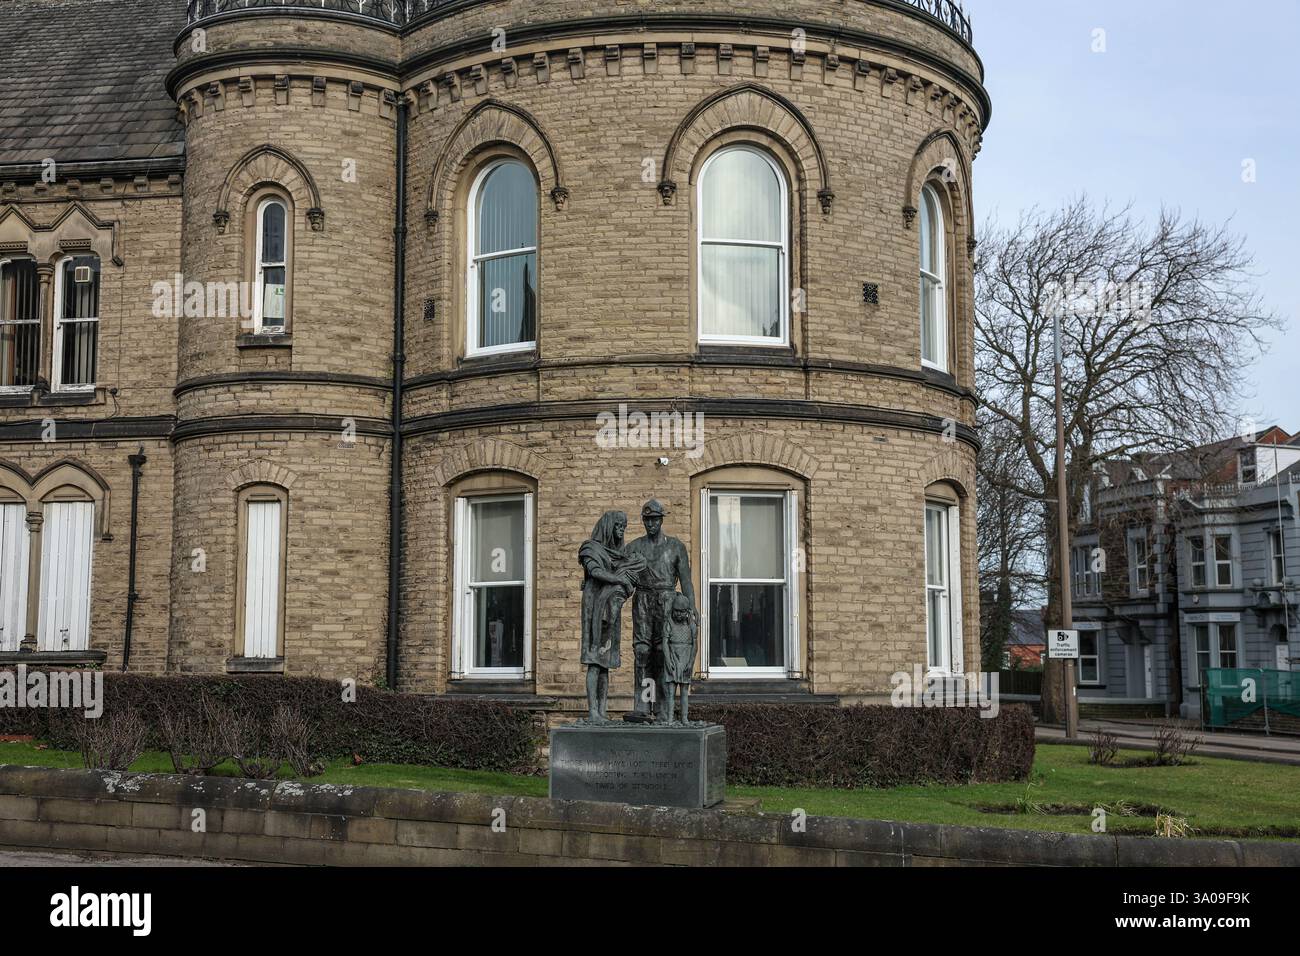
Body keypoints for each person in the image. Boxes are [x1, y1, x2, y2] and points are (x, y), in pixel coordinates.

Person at [625, 500, 697, 723]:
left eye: (655, 519)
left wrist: (692, 610)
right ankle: (644, 705)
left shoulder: (676, 547)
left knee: (663, 653)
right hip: (643, 600)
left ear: (661, 519)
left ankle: (665, 710)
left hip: (667, 600)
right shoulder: (634, 547)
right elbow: (622, 578)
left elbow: (686, 582)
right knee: (643, 652)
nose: (651, 524)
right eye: (647, 520)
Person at [578, 511, 646, 724]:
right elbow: (595, 571)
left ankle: (603, 711)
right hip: (594, 607)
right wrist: (619, 579)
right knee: (593, 660)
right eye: (618, 526)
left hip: (611, 607)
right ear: (608, 526)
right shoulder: (590, 548)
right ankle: (592, 712)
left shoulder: (618, 554)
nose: (621, 531)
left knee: (605, 662)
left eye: (623, 528)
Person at [661, 592, 699, 726]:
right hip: (672, 657)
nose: (678, 614)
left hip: (685, 657)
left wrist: (690, 662)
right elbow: (664, 643)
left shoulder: (692, 626)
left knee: (684, 691)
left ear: (687, 612)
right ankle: (670, 718)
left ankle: (684, 718)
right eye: (676, 611)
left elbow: (695, 646)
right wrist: (668, 660)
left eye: (682, 612)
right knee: (670, 691)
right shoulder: (668, 624)